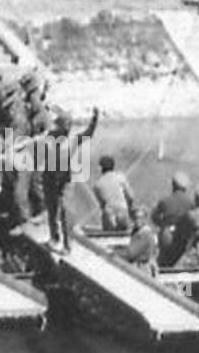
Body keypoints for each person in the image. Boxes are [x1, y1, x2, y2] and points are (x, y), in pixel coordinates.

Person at [39, 107, 99, 251]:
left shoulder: (73, 140)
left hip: (65, 179)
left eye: (68, 126)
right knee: (52, 209)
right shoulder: (50, 138)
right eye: (64, 126)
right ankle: (54, 238)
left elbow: (88, 133)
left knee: (65, 210)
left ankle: (67, 243)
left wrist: (94, 120)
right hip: (50, 177)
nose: (66, 129)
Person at [151, 172, 195, 258]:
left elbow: (154, 216)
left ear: (173, 186)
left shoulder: (165, 201)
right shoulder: (191, 203)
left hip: (166, 236)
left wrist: (162, 225)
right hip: (183, 238)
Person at [92, 155, 135, 232]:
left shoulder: (97, 185)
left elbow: (102, 205)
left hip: (109, 216)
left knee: (106, 213)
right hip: (123, 213)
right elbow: (131, 197)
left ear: (101, 168)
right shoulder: (120, 177)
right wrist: (130, 209)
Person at [124, 204, 159, 276]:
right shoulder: (137, 232)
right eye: (135, 218)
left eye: (140, 218)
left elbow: (130, 253)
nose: (137, 220)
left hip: (143, 270)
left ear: (145, 219)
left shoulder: (144, 234)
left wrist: (115, 252)